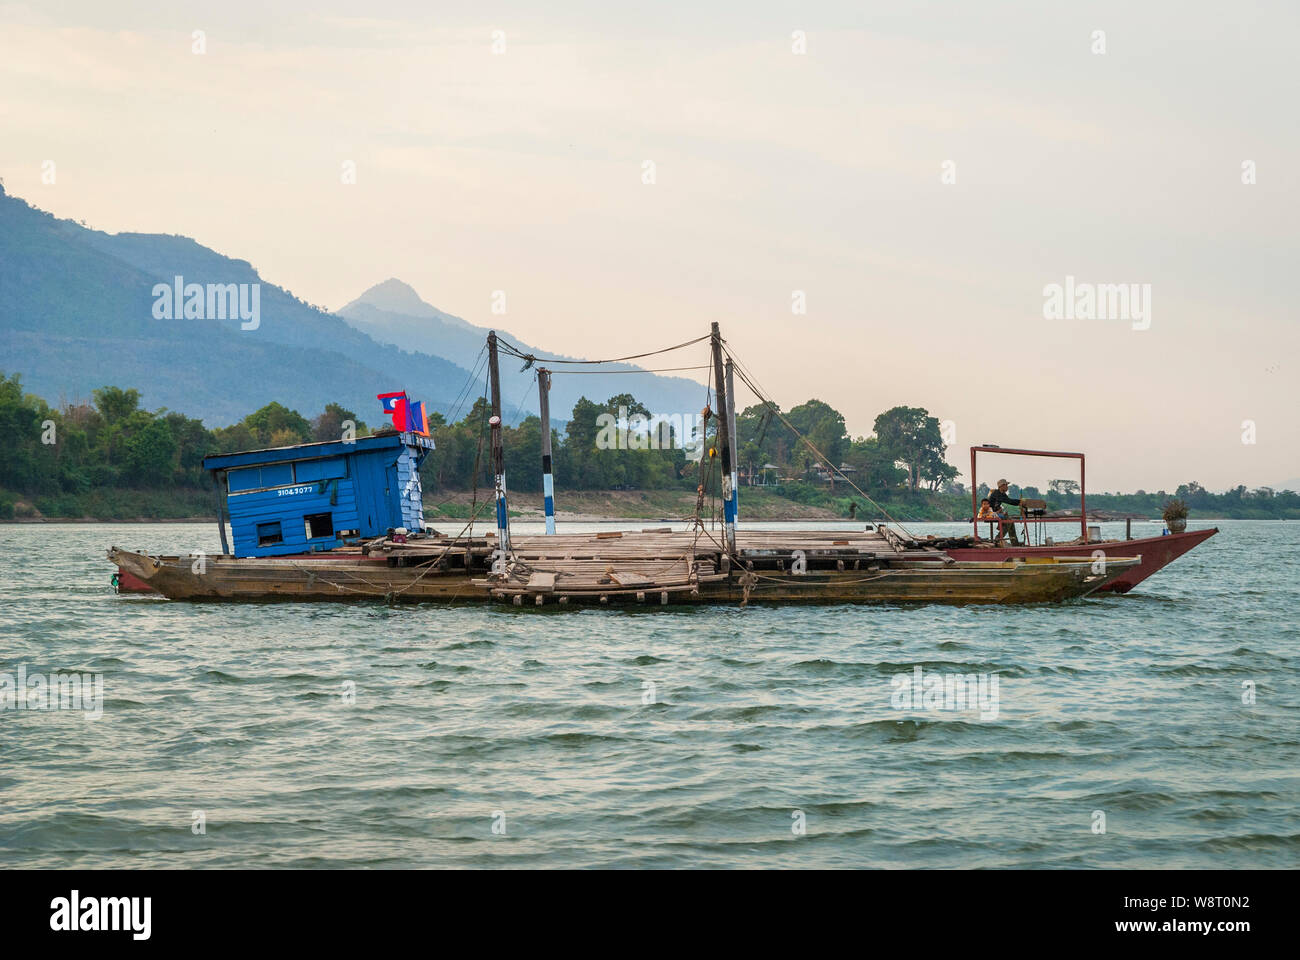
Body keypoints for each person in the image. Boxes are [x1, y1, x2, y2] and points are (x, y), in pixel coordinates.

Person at [987, 479, 1021, 545]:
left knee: (1010, 522)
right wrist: (1020, 502)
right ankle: (998, 538)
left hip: (996, 513)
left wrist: (1019, 502)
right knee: (1008, 522)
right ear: (1002, 486)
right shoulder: (996, 493)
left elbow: (1008, 500)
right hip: (991, 513)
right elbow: (1008, 501)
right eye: (1006, 485)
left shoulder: (1003, 494)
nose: (1007, 487)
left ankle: (1015, 543)